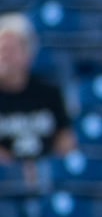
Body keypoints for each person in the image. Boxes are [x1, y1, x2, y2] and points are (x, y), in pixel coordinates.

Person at [0, 14, 75, 164]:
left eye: (11, 50)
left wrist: (47, 167)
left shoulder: (49, 93)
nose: (4, 56)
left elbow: (65, 137)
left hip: (46, 170)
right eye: (1, 50)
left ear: (28, 53)